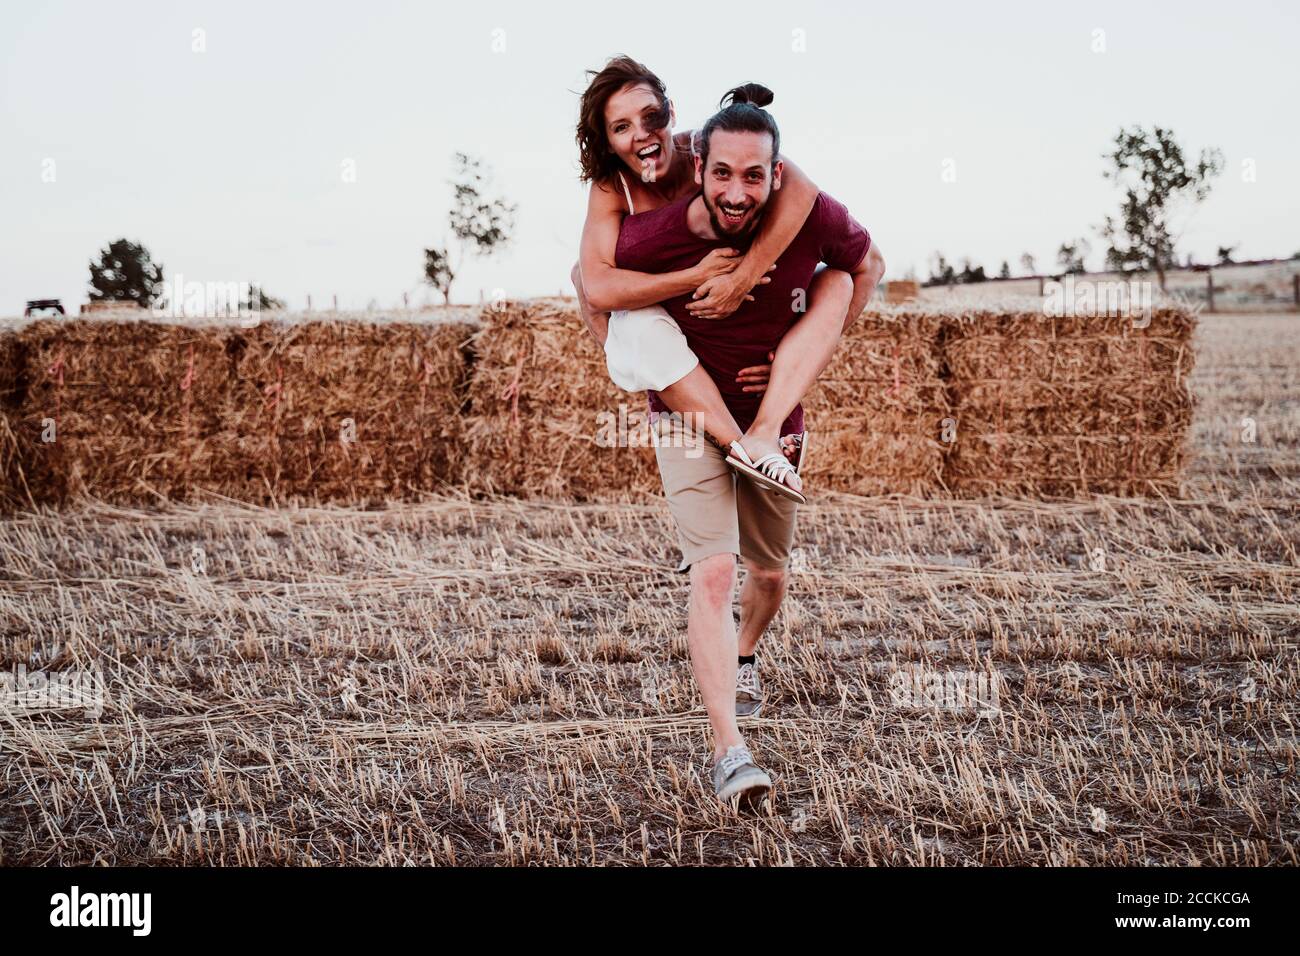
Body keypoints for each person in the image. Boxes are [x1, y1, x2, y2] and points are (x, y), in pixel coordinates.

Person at [613, 84, 886, 804]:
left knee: (768, 579)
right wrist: (641, 375)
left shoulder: (815, 218)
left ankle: (745, 654)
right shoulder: (655, 236)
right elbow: (591, 283)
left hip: (774, 419)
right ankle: (729, 752)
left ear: (778, 172)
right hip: (688, 420)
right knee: (713, 571)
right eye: (724, 172)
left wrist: (809, 348)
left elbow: (868, 268)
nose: (738, 190)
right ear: (698, 163)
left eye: (756, 174)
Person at [572, 56, 856, 501]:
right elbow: (598, 288)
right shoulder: (612, 189)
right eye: (621, 127)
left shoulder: (703, 150)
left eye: (651, 116)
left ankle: (754, 439)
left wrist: (746, 276)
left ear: (671, 110)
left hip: (739, 333)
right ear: (608, 142)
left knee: (839, 281)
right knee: (601, 291)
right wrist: (695, 276)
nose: (642, 134)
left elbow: (800, 188)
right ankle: (736, 443)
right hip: (671, 337)